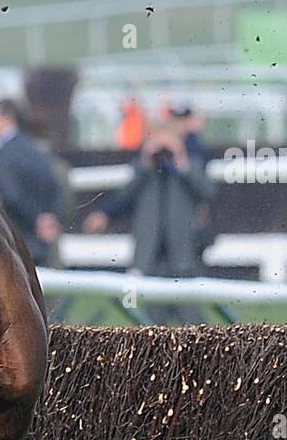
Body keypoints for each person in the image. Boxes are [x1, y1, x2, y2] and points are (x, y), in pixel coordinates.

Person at [83, 106, 214, 324]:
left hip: (183, 254)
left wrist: (180, 160)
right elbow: (127, 195)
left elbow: (207, 191)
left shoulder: (191, 162)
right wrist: (146, 161)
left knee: (193, 321)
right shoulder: (145, 169)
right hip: (152, 256)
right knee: (154, 324)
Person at [0, 99, 64, 267]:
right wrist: (49, 218)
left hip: (18, 237)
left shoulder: (4, 155)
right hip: (42, 238)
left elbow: (11, 195)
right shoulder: (35, 150)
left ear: (7, 118)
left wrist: (37, 219)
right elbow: (55, 186)